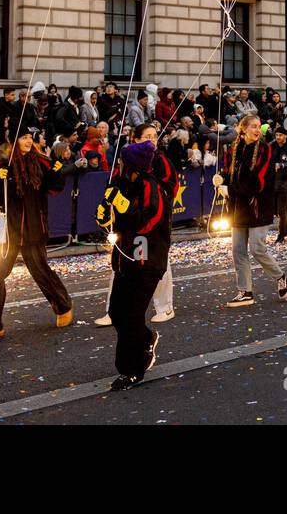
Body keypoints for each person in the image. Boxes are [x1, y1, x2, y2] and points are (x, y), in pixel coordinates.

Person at [0, 133, 74, 339]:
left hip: (34, 228)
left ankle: (63, 307)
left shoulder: (42, 162)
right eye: (23, 137)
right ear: (14, 141)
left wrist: (57, 172)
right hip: (8, 232)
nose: (28, 142)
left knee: (40, 270)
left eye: (30, 138)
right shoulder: (1, 166)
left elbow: (56, 189)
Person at [96, 123, 175, 390]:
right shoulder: (122, 184)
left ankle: (132, 369)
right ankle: (145, 339)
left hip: (146, 260)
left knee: (131, 315)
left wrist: (121, 204)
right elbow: (115, 217)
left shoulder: (151, 187)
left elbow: (146, 222)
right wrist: (105, 214)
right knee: (117, 312)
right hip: (124, 258)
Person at [223, 113, 287, 307]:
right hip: (238, 207)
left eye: (258, 126)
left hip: (258, 206)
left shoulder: (265, 149)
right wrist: (222, 181)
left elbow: (258, 182)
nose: (257, 130)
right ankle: (245, 291)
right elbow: (230, 173)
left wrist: (230, 188)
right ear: (242, 128)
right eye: (253, 126)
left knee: (257, 248)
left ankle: (280, 276)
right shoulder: (234, 148)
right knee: (238, 250)